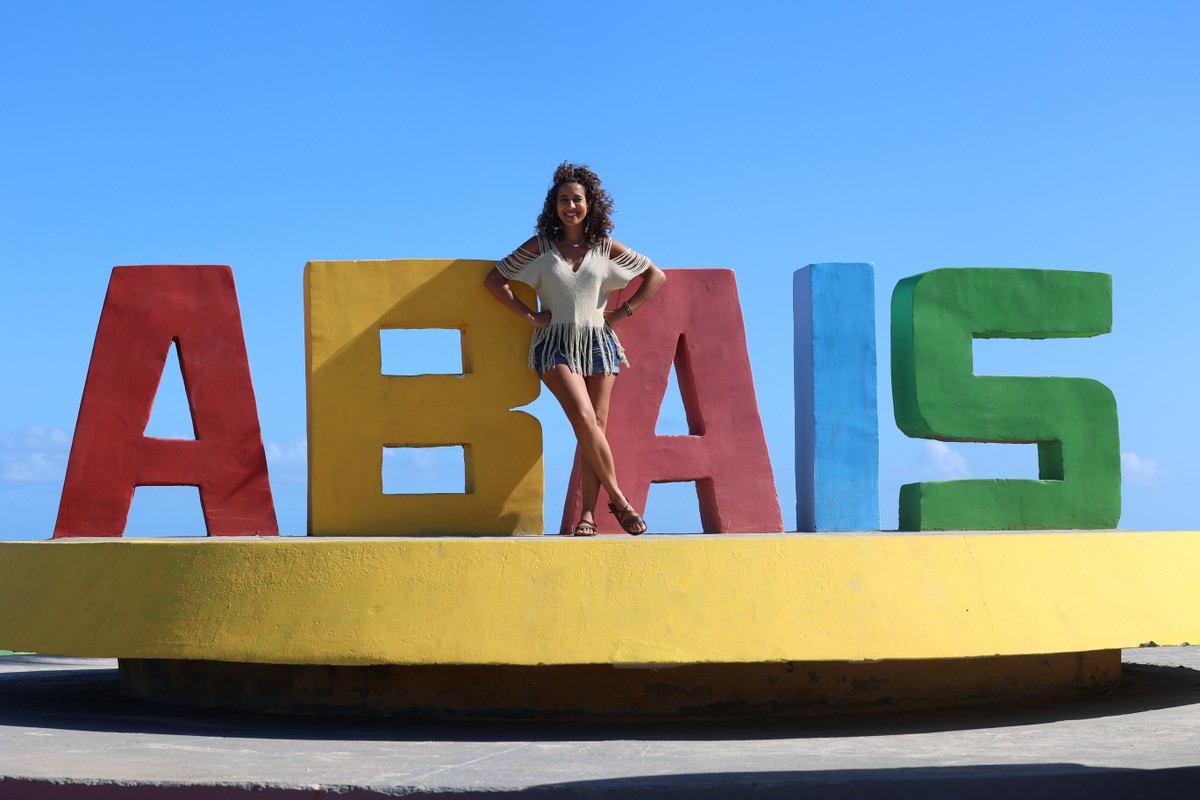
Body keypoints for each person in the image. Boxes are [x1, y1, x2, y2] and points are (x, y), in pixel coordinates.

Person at [484, 162, 666, 536]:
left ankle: (588, 515)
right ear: (554, 206)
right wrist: (529, 315)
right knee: (584, 419)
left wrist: (623, 311)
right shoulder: (540, 247)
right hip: (554, 344)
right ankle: (620, 500)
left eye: (577, 199)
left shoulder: (604, 246)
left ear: (590, 204)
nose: (571, 206)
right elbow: (495, 279)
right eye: (563, 200)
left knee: (595, 427)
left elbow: (655, 275)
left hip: (599, 343)